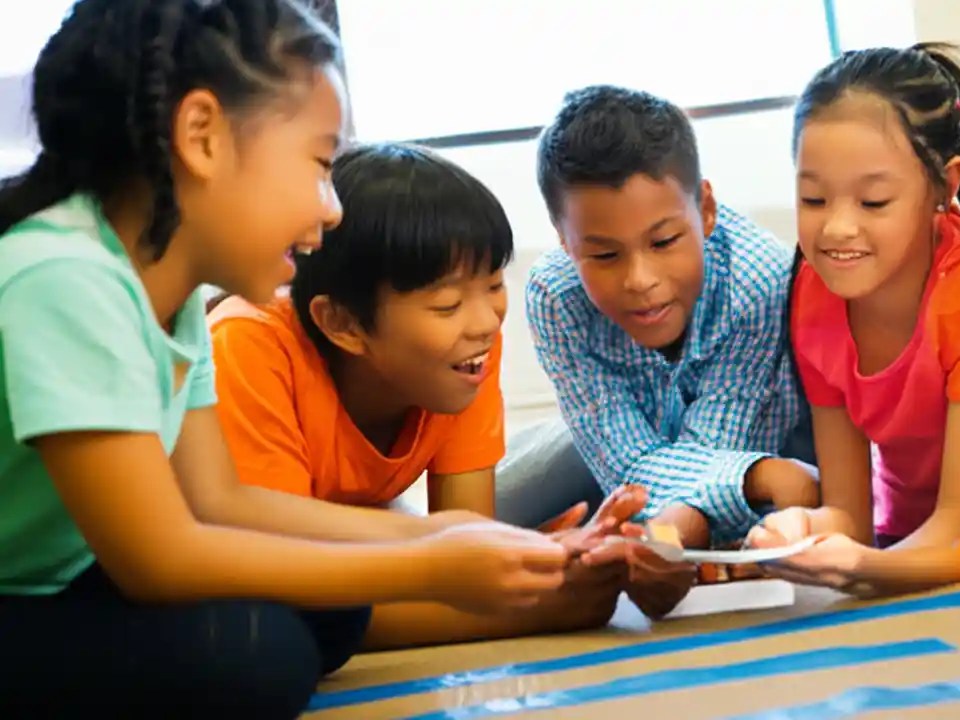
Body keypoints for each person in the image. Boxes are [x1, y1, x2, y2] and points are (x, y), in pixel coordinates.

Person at [0, 2, 581, 716]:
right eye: (318, 164)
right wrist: (431, 562)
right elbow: (158, 557)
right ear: (203, 136)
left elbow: (224, 503)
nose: (332, 208)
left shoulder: (169, 289)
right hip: (28, 589)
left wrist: (444, 533)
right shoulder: (64, 277)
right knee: (256, 654)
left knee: (326, 611)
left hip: (58, 577)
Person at [210, 142, 631, 648]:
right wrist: (536, 608)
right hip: (284, 555)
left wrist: (547, 562)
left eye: (494, 284)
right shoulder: (246, 346)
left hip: (375, 530)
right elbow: (299, 583)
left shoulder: (467, 351)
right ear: (342, 323)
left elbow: (468, 539)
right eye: (447, 305)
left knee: (584, 455)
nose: (485, 322)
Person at [749, 44, 960, 593]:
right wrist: (795, 531)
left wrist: (863, 567)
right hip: (910, 529)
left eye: (874, 202)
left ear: (946, 184)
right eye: (813, 199)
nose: (836, 229)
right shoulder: (812, 293)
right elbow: (850, 517)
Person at [522, 84, 817, 618]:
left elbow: (716, 453)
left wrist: (664, 540)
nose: (641, 280)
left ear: (705, 210)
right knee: (485, 522)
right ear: (565, 242)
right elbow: (626, 464)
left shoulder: (759, 282)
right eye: (605, 254)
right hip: (602, 453)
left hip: (752, 441)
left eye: (663, 243)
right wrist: (758, 476)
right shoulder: (555, 296)